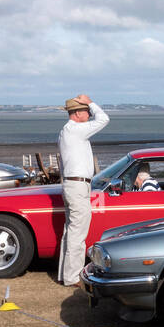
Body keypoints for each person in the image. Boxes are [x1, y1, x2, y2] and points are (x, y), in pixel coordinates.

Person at [56, 95, 109, 287]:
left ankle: (65, 274)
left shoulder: (65, 131)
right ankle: (73, 276)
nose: (88, 113)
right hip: (78, 185)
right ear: (77, 114)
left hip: (71, 183)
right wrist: (92, 101)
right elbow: (104, 119)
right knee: (78, 232)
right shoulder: (77, 130)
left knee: (70, 231)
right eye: (86, 110)